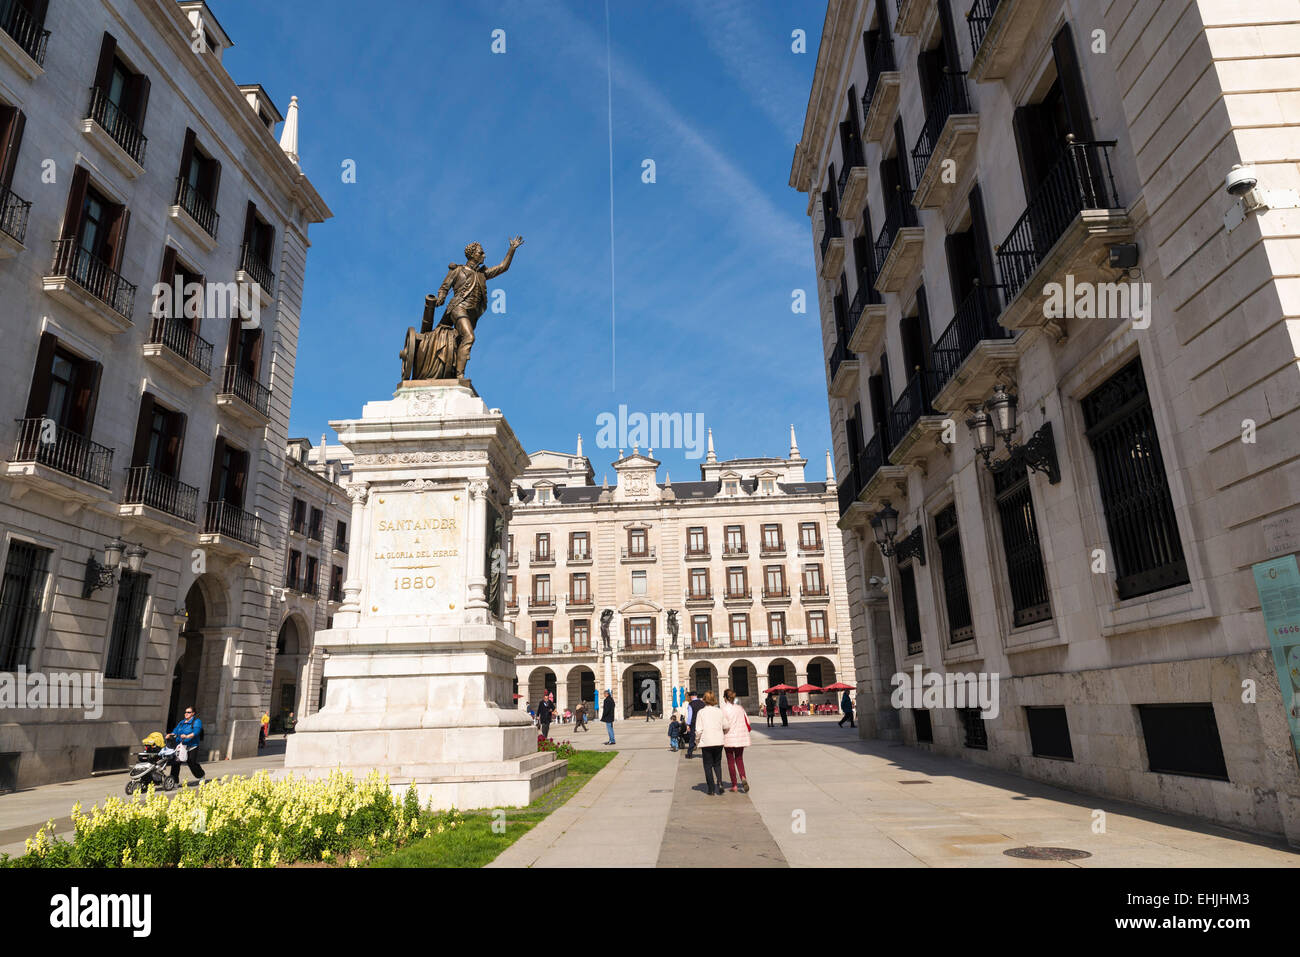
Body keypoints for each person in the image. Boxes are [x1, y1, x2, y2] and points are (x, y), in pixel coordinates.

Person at [694, 692, 731, 796]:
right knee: (717, 764)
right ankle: (719, 783)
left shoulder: (701, 712)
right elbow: (726, 725)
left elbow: (698, 730)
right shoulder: (719, 711)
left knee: (707, 765)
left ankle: (711, 788)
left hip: (706, 742)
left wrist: (697, 741)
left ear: (704, 700)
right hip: (718, 741)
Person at [721, 689, 752, 793]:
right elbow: (748, 721)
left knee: (730, 761)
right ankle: (743, 777)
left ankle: (734, 785)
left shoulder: (723, 709)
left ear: (725, 698)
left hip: (728, 738)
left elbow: (723, 724)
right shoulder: (740, 708)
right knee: (739, 759)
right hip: (740, 738)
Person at [169, 706, 206, 786]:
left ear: (193, 713)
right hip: (181, 745)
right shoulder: (182, 722)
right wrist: (170, 735)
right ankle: (174, 782)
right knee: (176, 763)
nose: (186, 714)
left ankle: (201, 775)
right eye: (185, 712)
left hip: (192, 746)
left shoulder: (197, 721)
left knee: (191, 762)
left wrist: (187, 736)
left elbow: (196, 731)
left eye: (188, 712)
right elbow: (175, 731)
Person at [685, 692, 703, 759]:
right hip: (701, 722)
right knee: (702, 737)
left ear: (692, 696)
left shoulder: (691, 704)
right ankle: (704, 753)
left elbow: (690, 715)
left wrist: (688, 724)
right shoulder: (702, 703)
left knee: (692, 738)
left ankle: (689, 754)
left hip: (694, 722)